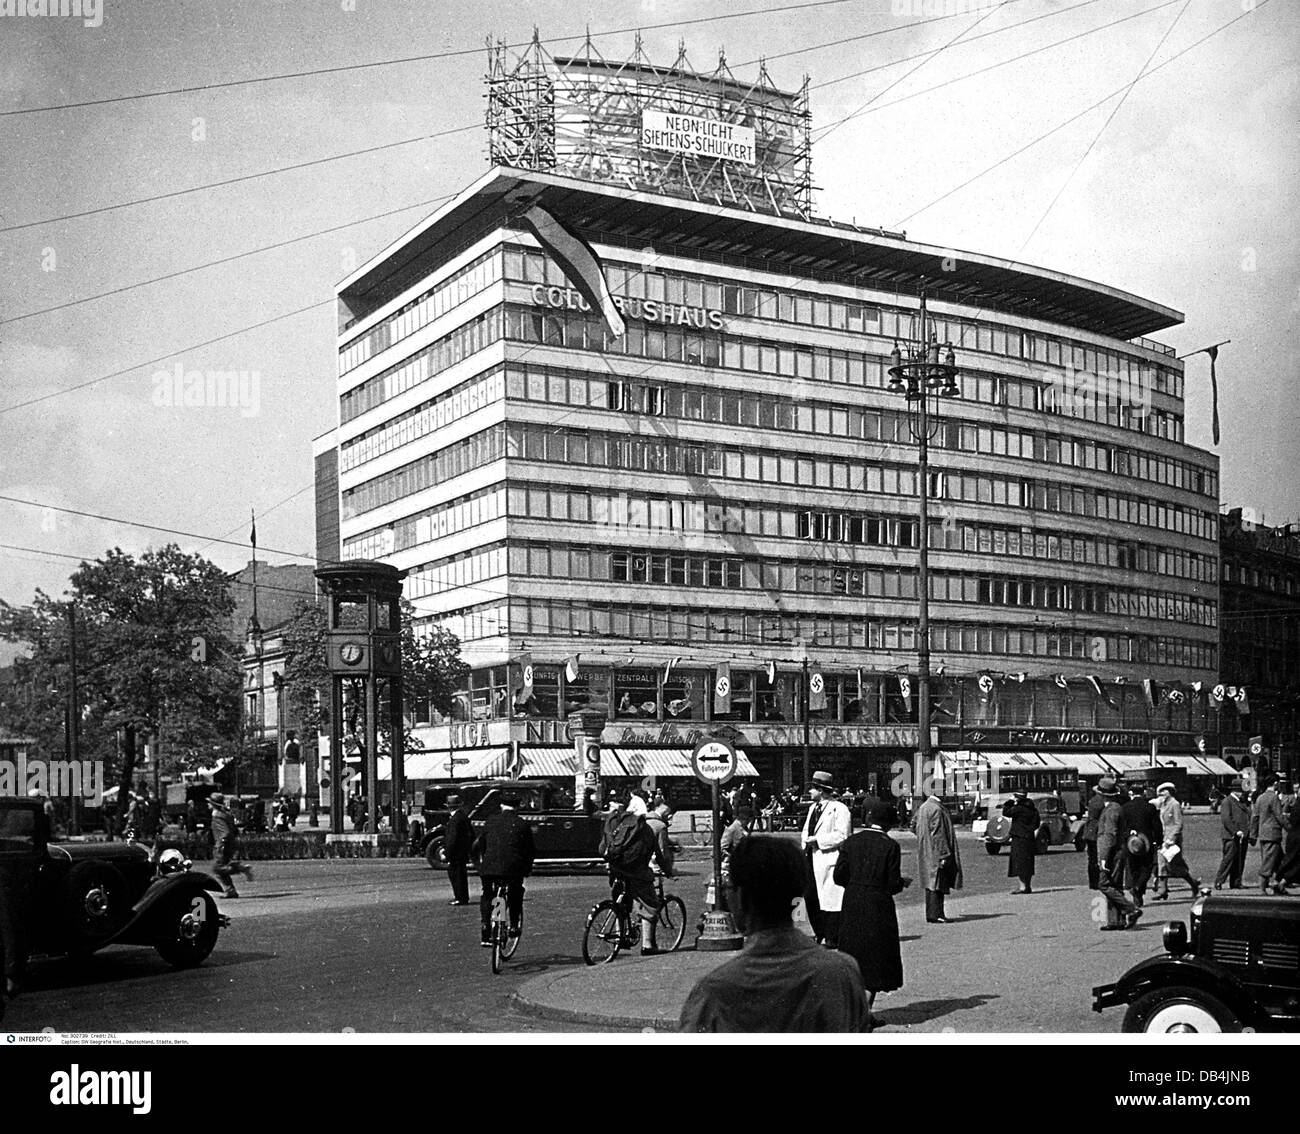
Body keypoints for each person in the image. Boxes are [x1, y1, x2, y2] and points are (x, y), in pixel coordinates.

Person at [678, 836, 868, 1033]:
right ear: (799, 893)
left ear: (741, 897)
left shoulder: (714, 993)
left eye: (729, 888)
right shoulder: (843, 972)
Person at [835, 800, 911, 1029]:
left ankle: (855, 1012)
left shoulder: (851, 842)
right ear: (887, 824)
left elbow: (839, 876)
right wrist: (902, 883)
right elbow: (891, 883)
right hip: (878, 905)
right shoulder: (890, 846)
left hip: (852, 903)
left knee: (854, 955)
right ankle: (863, 1013)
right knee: (876, 960)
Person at [600, 795, 672, 954]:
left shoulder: (615, 822)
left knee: (621, 904)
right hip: (636, 871)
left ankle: (619, 939)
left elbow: (602, 847)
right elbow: (658, 855)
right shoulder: (646, 828)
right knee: (650, 904)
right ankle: (648, 945)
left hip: (616, 869)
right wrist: (668, 871)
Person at [472, 794, 535, 946]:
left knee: (489, 895)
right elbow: (529, 850)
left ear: (501, 806)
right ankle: (513, 925)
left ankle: (486, 927)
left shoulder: (490, 822)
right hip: (512, 868)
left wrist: (480, 865)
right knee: (515, 893)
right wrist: (527, 868)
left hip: (489, 867)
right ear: (517, 807)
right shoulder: (522, 824)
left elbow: (480, 845)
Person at [800, 770, 852, 947]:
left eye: (813, 789)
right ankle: (819, 932)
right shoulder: (812, 809)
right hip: (811, 858)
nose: (810, 793)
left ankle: (832, 936)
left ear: (821, 790)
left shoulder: (839, 809)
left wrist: (819, 841)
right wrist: (805, 842)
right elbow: (807, 829)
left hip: (828, 858)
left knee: (831, 900)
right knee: (811, 897)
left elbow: (843, 835)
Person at [1095, 779, 1140, 930]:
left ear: (1102, 795)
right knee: (1114, 884)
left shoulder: (1111, 810)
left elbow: (1109, 835)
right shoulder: (1116, 808)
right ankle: (1116, 921)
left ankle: (1131, 909)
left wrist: (1103, 858)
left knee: (1104, 884)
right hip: (1118, 852)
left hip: (1112, 853)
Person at [916, 788, 962, 923]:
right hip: (936, 851)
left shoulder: (923, 807)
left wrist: (923, 838)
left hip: (926, 850)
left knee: (930, 883)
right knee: (938, 882)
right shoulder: (937, 809)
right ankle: (937, 914)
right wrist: (943, 855)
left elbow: (913, 825)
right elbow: (939, 834)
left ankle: (931, 913)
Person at [1153, 781, 1202, 899]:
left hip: (1172, 839)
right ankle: (1163, 890)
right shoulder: (1163, 804)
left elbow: (1178, 823)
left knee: (1175, 865)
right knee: (1162, 863)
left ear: (1170, 792)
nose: (1162, 794)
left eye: (1164, 791)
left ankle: (1193, 883)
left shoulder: (1174, 804)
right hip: (1163, 838)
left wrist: (1172, 838)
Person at [1119, 783, 1162, 908]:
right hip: (1146, 842)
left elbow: (1122, 826)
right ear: (1143, 793)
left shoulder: (1125, 807)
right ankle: (1139, 888)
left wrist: (1126, 835)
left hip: (1130, 842)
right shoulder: (1150, 807)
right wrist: (1159, 841)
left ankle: (1135, 890)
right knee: (1146, 867)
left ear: (1131, 793)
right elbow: (1157, 826)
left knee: (1133, 868)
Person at [208, 792, 252, 898]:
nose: (208, 805)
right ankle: (230, 891)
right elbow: (234, 830)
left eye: (209, 803)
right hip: (229, 844)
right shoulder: (226, 814)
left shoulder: (217, 816)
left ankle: (240, 868)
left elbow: (225, 832)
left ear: (213, 804)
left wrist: (221, 843)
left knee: (217, 868)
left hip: (222, 846)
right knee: (222, 868)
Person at [1250, 774, 1288, 895]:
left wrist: (1253, 834)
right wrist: (1290, 828)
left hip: (1264, 834)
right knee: (1269, 862)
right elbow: (1279, 816)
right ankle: (1262, 887)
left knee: (1280, 862)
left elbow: (1254, 817)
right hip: (1273, 834)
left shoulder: (1260, 797)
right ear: (1275, 783)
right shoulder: (1274, 798)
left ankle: (1278, 886)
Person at [1214, 778, 1252, 890]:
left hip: (1242, 836)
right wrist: (1235, 831)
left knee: (1239, 860)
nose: (1242, 794)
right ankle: (1219, 881)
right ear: (1235, 791)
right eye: (1241, 791)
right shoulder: (1227, 801)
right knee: (1228, 859)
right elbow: (1226, 819)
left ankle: (1236, 881)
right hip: (1231, 836)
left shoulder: (1242, 802)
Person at [1002, 789, 1040, 894]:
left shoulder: (1018, 809)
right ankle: (1028, 885)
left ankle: (1022, 887)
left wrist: (1009, 802)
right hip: (1029, 838)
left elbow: (1006, 812)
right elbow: (1037, 824)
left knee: (1020, 863)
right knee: (1028, 862)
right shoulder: (1033, 810)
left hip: (1019, 838)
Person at [443, 793, 472, 906]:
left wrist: (447, 853)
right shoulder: (463, 817)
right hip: (462, 852)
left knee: (456, 876)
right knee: (461, 875)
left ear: (448, 806)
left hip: (456, 853)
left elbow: (452, 839)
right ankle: (462, 897)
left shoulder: (455, 819)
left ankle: (460, 897)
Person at [1081, 780, 1107, 890]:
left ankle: (1093, 882)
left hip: (1089, 830)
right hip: (1097, 830)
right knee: (1099, 856)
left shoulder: (1093, 800)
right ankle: (1099, 881)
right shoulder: (1101, 801)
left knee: (1092, 858)